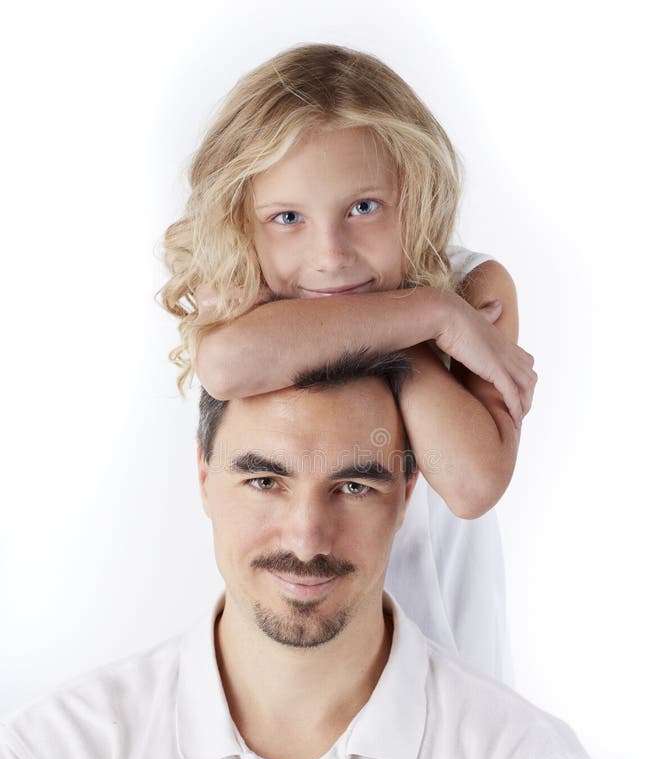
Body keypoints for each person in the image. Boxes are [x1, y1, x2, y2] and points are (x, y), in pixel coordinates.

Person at [0, 351, 600, 759]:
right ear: (204, 476)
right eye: (265, 481)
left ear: (406, 496)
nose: (307, 539)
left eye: (354, 485)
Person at [160, 43, 538, 683]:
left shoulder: (471, 285)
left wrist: (424, 317)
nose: (329, 256)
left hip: (451, 673)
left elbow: (472, 484)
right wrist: (431, 319)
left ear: (411, 193)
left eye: (363, 208)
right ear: (242, 224)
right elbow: (226, 365)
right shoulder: (258, 293)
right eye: (287, 218)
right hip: (310, 664)